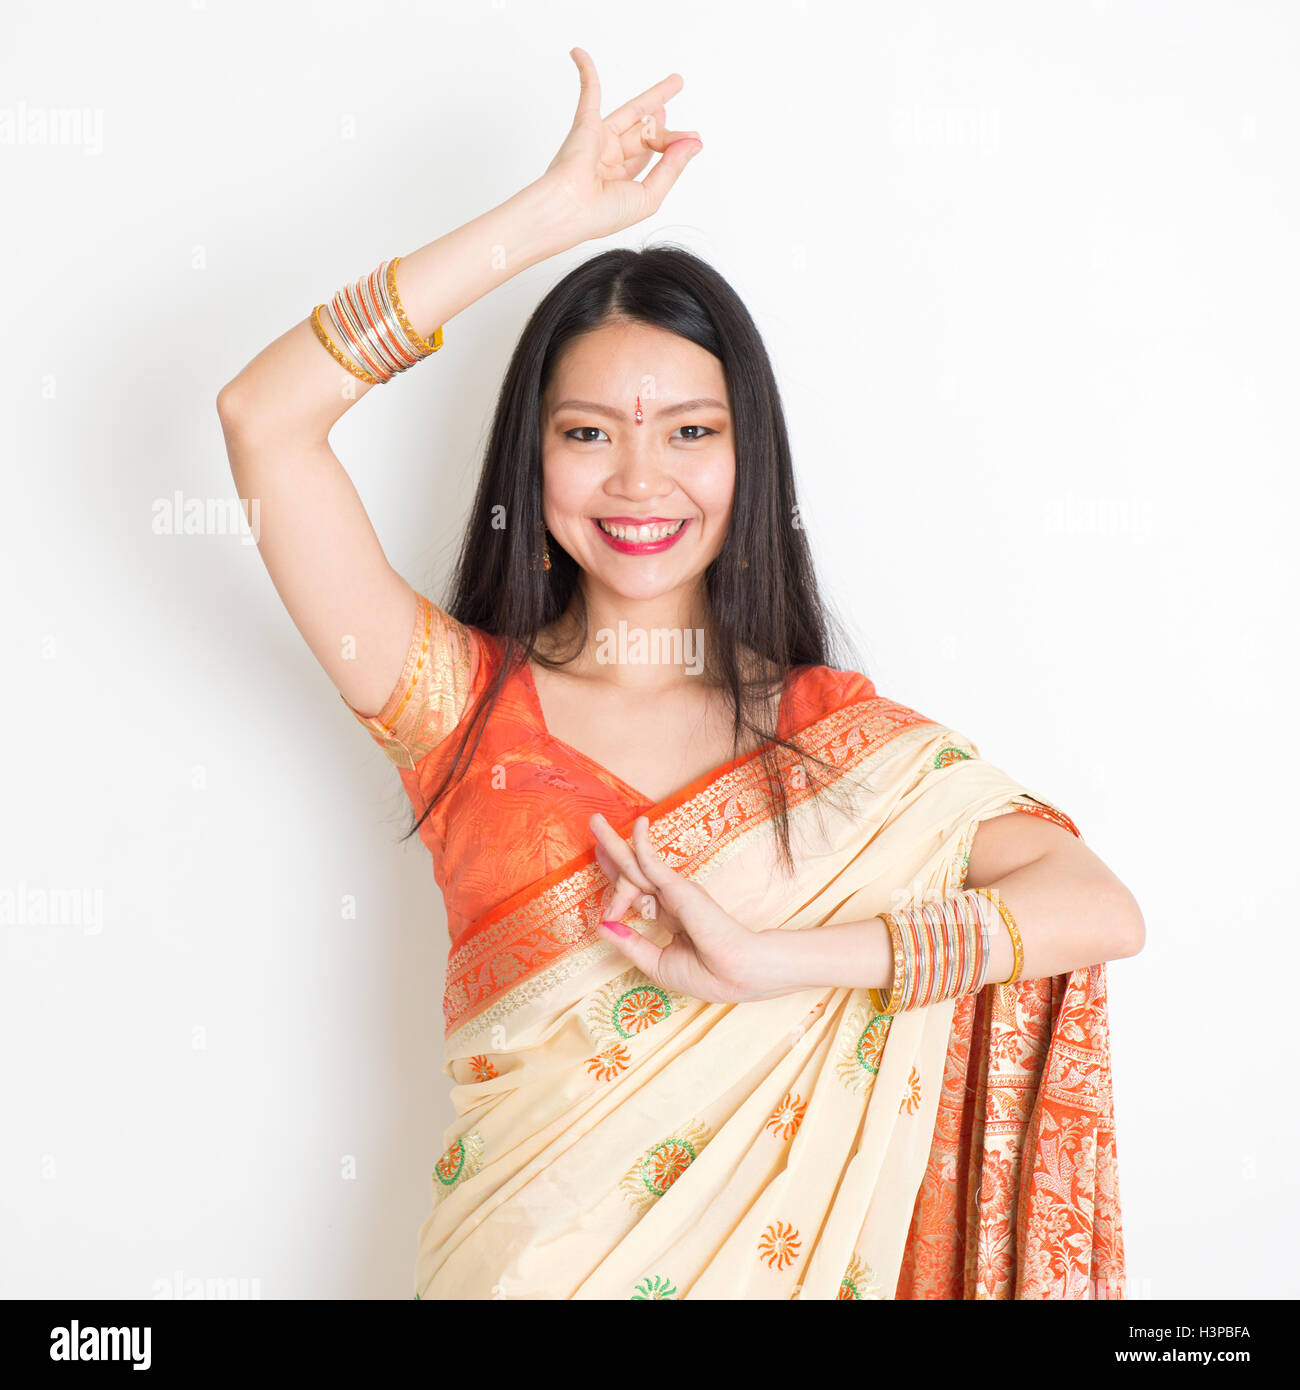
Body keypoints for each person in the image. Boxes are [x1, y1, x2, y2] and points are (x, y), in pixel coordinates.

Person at [217, 48, 1142, 1301]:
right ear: (530, 467)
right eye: (589, 433)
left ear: (745, 458)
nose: (640, 483)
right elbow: (262, 417)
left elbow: (1097, 906)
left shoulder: (839, 741)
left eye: (690, 434)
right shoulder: (453, 705)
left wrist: (778, 958)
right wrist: (546, 221)